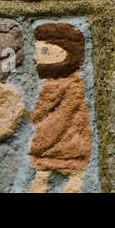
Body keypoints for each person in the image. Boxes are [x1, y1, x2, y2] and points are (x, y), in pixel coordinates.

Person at [28, 23, 92, 193]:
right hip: (75, 137)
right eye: (38, 51)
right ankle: (74, 184)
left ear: (65, 53)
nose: (36, 57)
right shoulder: (77, 80)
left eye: (44, 51)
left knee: (45, 163)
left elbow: (42, 109)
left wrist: (32, 117)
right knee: (74, 167)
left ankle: (41, 185)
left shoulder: (53, 84)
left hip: (56, 136)